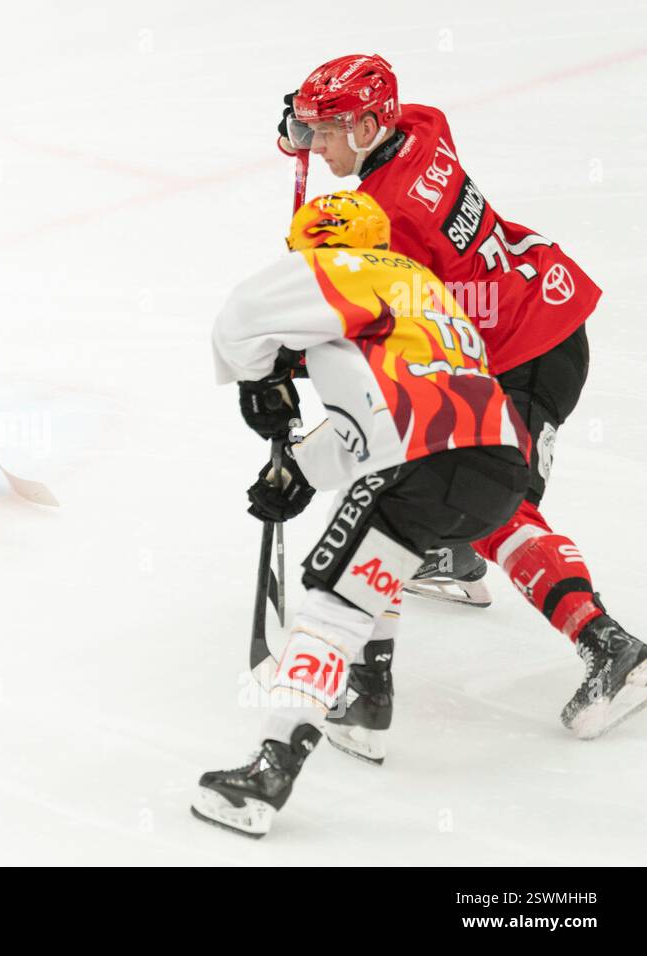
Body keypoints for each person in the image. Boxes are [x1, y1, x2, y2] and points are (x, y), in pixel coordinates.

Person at [276, 54, 646, 740]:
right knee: (456, 474)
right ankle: (454, 556)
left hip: (525, 352)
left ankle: (608, 645)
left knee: (498, 499)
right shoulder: (421, 127)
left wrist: (295, 339)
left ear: (365, 126)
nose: (315, 144)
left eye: (325, 132)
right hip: (541, 300)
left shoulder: (391, 221)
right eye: (310, 130)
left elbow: (381, 320)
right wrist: (300, 133)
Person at [193, 190, 530, 837]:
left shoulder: (337, 268)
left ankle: (269, 772)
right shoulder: (421, 287)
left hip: (424, 462)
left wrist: (257, 379)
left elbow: (239, 318)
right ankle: (366, 705)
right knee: (371, 570)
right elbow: (377, 416)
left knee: (332, 604)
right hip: (495, 468)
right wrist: (299, 471)